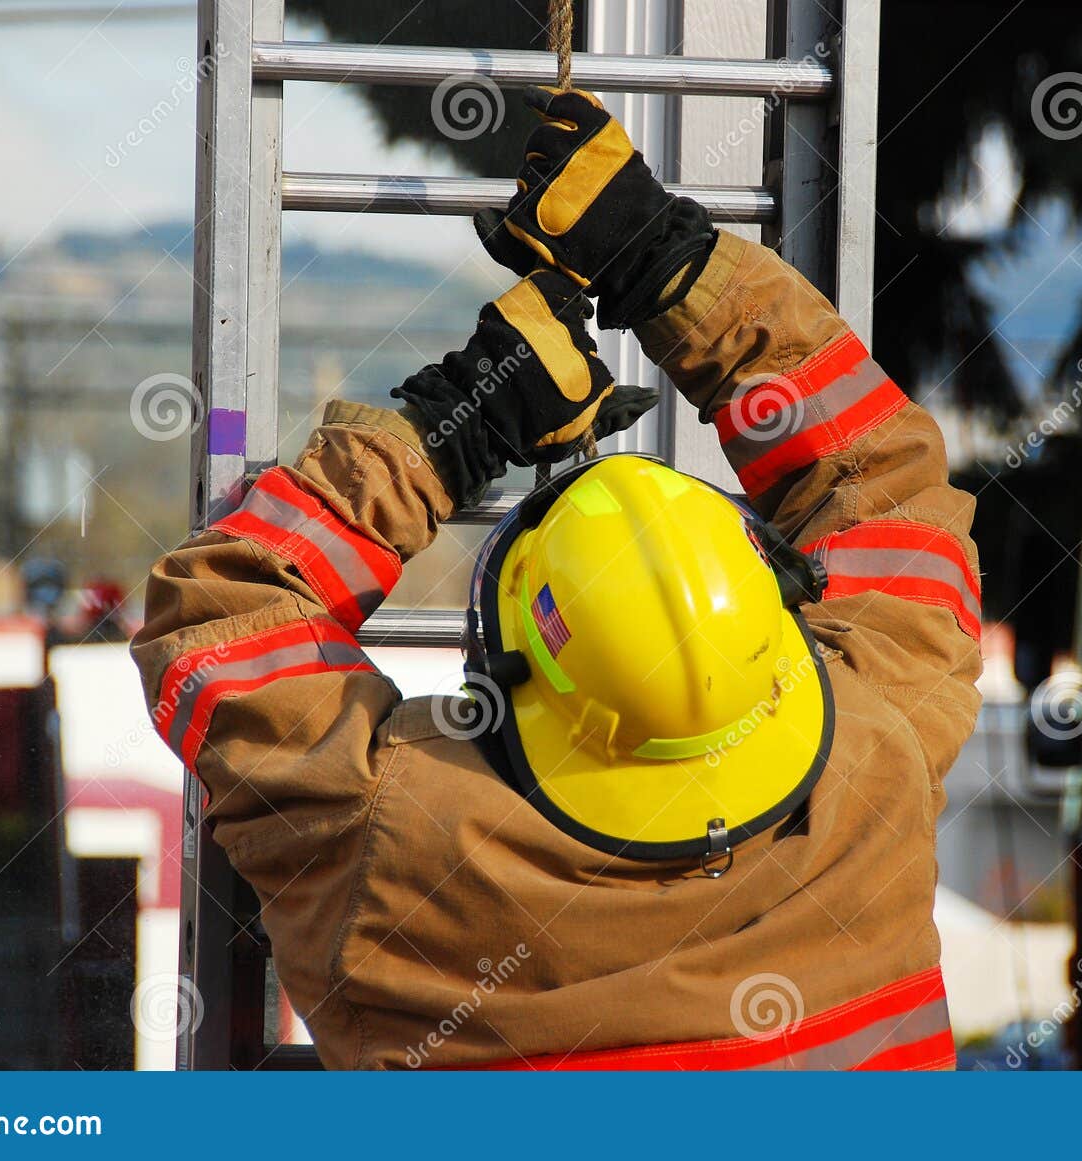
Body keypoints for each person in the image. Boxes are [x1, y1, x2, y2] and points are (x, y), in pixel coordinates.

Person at [133, 90, 983, 1070]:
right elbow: (886, 496)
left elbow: (219, 618)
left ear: (509, 670)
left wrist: (462, 423)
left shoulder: (390, 839)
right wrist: (665, 261)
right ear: (776, 618)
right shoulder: (882, 747)